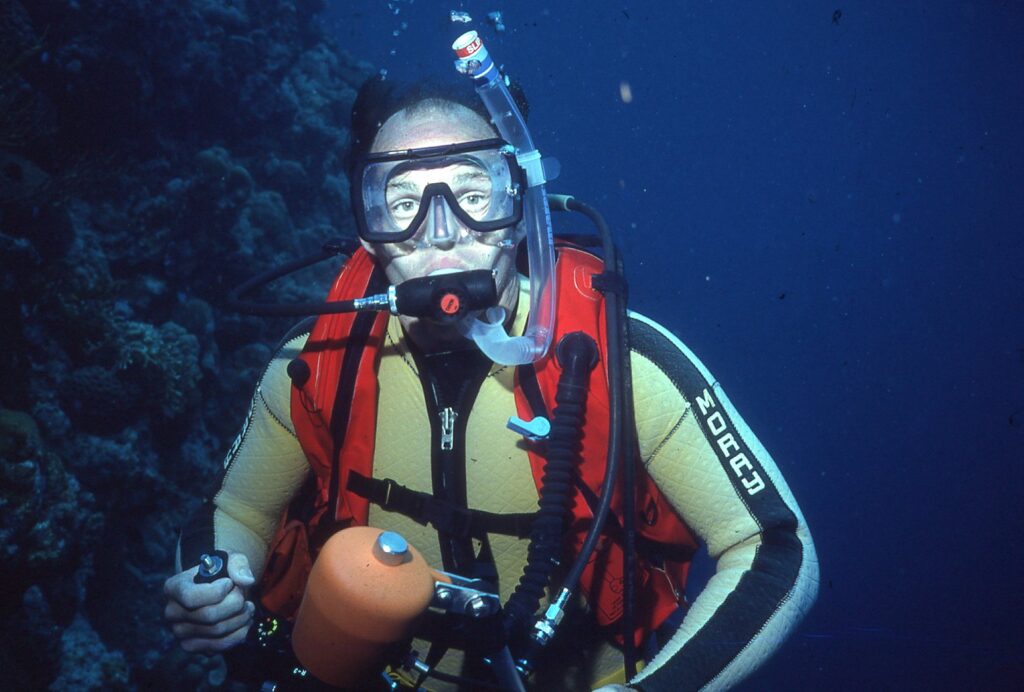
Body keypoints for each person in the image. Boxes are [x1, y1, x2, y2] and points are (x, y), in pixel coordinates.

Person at [163, 65, 818, 691]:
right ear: (367, 229)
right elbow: (237, 508)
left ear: (521, 206)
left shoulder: (624, 364)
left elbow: (774, 550)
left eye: (473, 196)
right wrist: (208, 582)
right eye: (402, 202)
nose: (442, 234)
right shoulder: (313, 362)